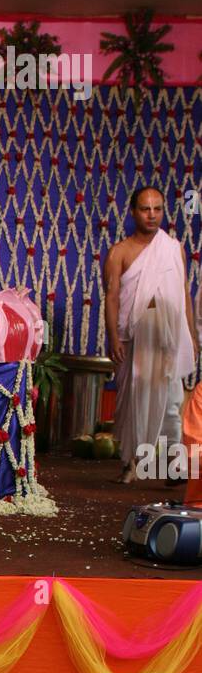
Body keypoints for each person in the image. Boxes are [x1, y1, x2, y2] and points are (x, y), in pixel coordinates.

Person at [105, 187, 198, 484]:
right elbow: (112, 298)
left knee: (172, 402)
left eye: (157, 209)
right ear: (133, 212)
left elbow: (182, 293)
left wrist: (192, 336)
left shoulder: (172, 248)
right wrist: (114, 338)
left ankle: (174, 468)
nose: (152, 215)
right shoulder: (119, 252)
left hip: (167, 339)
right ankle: (131, 462)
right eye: (146, 209)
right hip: (134, 338)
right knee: (133, 399)